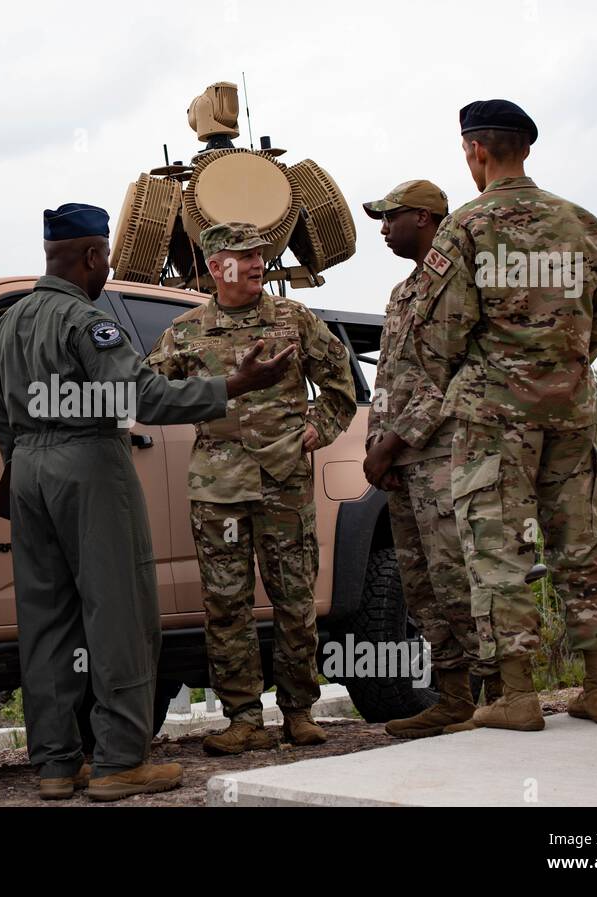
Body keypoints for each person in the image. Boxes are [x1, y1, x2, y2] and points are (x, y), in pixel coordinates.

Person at [0, 203, 296, 800]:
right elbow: (140, 394)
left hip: (26, 468)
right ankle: (120, 762)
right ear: (94, 256)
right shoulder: (86, 322)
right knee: (119, 613)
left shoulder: (9, 324)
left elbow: (2, 416)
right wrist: (230, 386)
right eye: (104, 259)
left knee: (46, 623)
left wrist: (28, 464)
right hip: (88, 464)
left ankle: (55, 765)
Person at [408, 101, 597, 732]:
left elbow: (440, 335)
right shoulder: (582, 222)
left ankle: (518, 696)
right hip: (572, 408)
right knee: (583, 543)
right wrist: (557, 369)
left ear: (475, 151)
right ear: (523, 149)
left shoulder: (467, 227)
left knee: (497, 548)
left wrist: (477, 379)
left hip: (494, 417)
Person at [147, 222, 356, 754]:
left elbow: (341, 382)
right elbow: (149, 391)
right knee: (226, 604)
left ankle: (300, 711)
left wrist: (318, 428)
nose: (260, 263)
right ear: (217, 268)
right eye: (245, 256)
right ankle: (243, 717)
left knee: (293, 598)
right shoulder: (186, 331)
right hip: (218, 491)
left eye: (262, 254)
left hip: (284, 482)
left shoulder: (294, 319)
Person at [361, 180, 501, 737]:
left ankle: (500, 692)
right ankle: (453, 697)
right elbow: (391, 380)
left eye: (390, 218)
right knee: (420, 586)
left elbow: (444, 379)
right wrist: (379, 445)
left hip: (446, 456)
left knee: (460, 578)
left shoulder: (454, 283)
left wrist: (392, 443)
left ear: (423, 218)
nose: (382, 229)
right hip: (404, 463)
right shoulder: (402, 292)